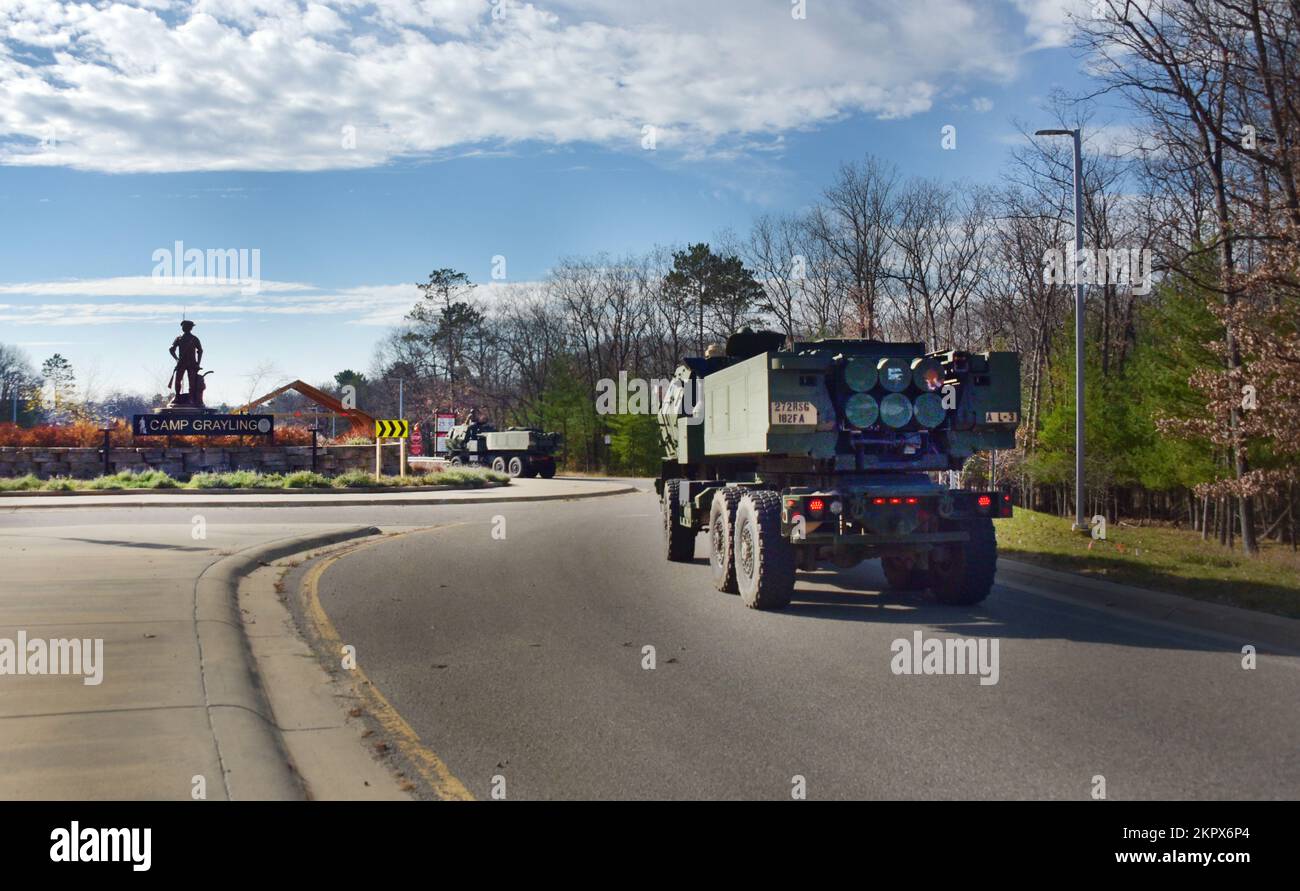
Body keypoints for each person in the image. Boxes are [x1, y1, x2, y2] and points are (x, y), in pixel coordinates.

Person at [169, 320, 204, 403]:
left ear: (190, 328)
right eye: (183, 326)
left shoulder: (194, 339)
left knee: (192, 382)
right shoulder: (178, 338)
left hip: (192, 363)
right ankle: (177, 396)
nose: (183, 328)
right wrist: (177, 359)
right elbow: (171, 349)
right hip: (181, 363)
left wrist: (198, 363)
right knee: (177, 380)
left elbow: (200, 351)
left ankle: (191, 398)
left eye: (186, 326)